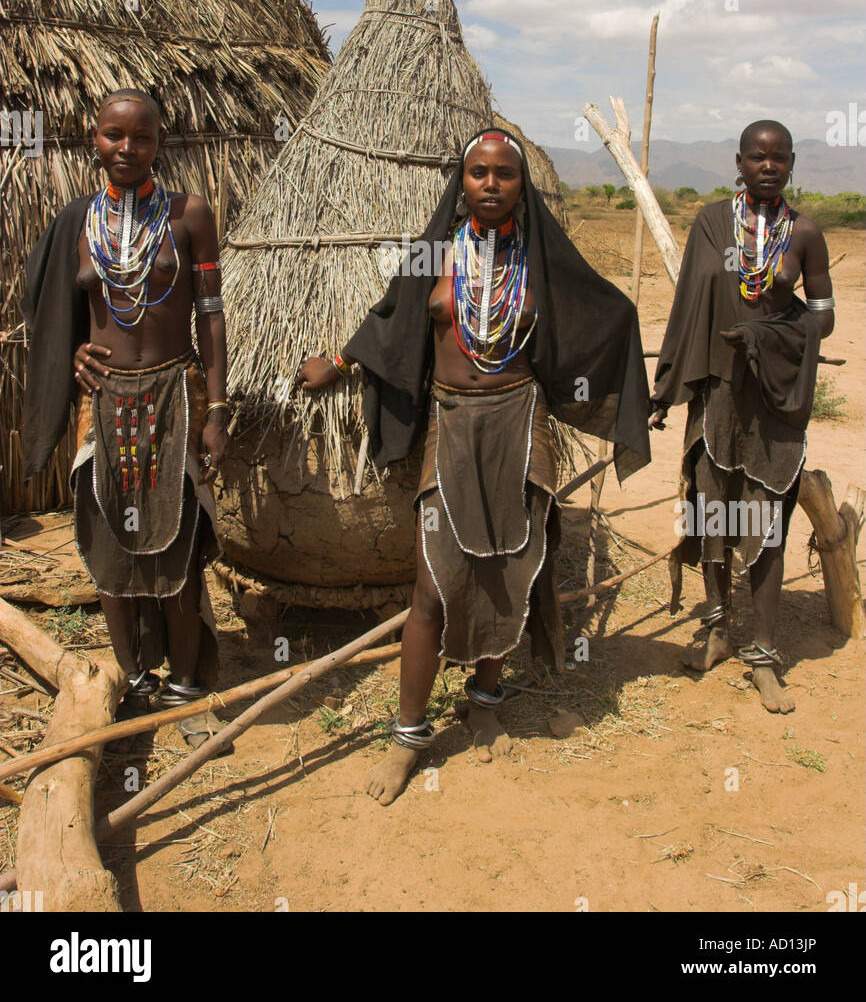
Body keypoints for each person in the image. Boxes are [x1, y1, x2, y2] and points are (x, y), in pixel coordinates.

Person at [298, 128, 650, 803]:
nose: (491, 184)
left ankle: (487, 698)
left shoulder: (541, 258)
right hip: (451, 423)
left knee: (506, 569)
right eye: (479, 173)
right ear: (462, 182)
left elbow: (603, 313)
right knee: (432, 586)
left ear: (521, 185)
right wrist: (337, 365)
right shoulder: (436, 251)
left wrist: (633, 382)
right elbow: (392, 319)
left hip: (520, 422)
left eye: (505, 174)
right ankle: (409, 735)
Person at [20, 90, 228, 720]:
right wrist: (74, 350)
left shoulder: (190, 215)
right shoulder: (75, 222)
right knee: (109, 542)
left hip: (174, 393)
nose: (126, 149)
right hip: (103, 402)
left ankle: (187, 686)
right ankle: (136, 680)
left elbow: (211, 315)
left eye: (141, 138)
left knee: (182, 545)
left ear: (160, 142)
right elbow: (46, 306)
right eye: (114, 135)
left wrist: (217, 408)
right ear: (95, 139)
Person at [651, 120, 834, 713]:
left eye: (779, 158)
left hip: (775, 400)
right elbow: (687, 303)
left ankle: (764, 653)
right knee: (709, 510)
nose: (768, 166)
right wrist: (667, 382)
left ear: (792, 164)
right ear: (739, 161)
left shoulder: (804, 233)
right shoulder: (710, 222)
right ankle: (716, 629)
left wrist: (771, 327)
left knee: (765, 518)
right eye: (758, 156)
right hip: (718, 392)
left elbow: (824, 317)